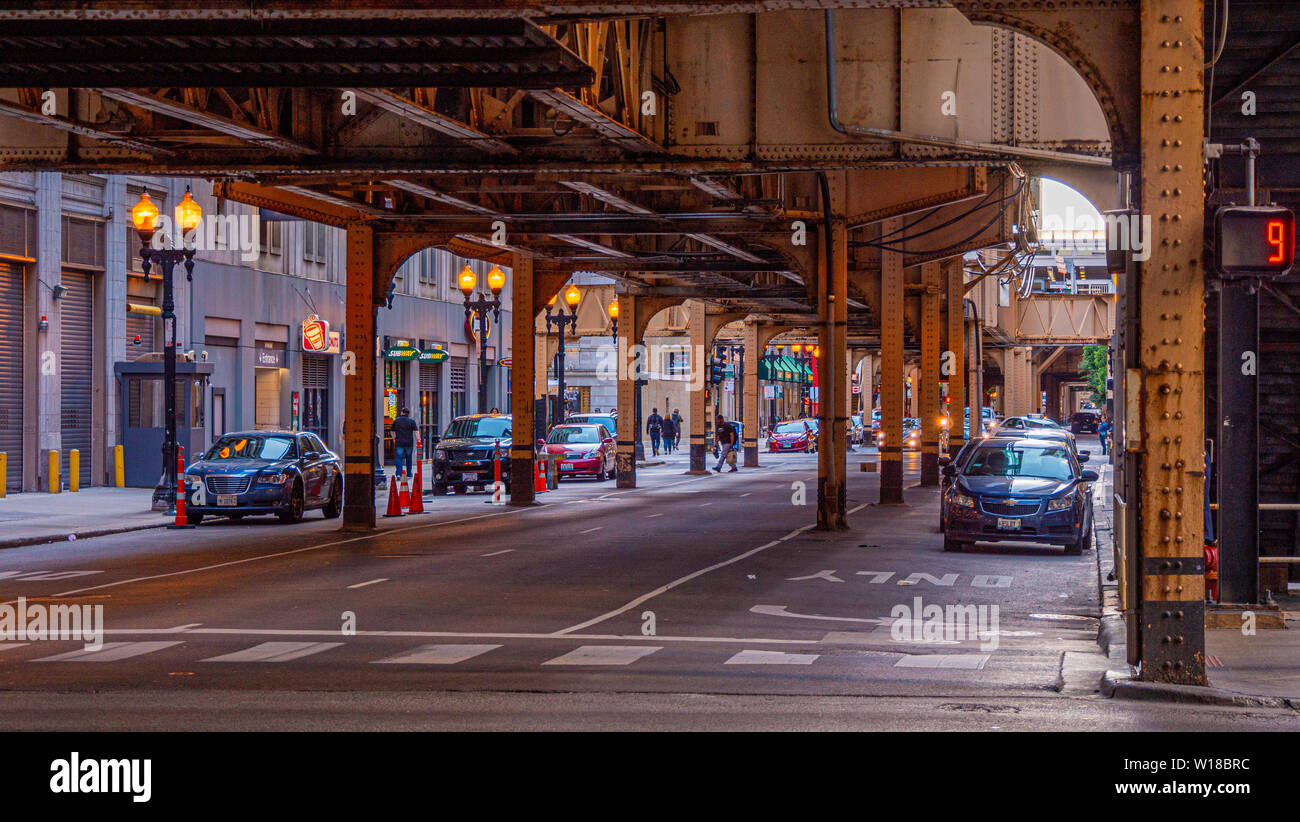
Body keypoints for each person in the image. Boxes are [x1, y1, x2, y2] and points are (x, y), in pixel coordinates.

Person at [391, 407, 418, 479]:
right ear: (408, 414)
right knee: (409, 458)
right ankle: (409, 474)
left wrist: (394, 439)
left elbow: (392, 431)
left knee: (399, 458)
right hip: (409, 443)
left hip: (399, 442)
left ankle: (398, 474)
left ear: (402, 412)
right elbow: (416, 431)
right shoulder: (411, 421)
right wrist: (418, 440)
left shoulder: (396, 421)